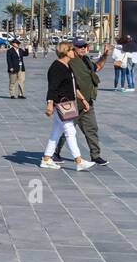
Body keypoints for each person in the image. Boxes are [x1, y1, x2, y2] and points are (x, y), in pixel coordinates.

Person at [41, 41, 96, 171]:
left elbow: (73, 86)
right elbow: (52, 88)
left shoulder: (67, 66)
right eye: (72, 50)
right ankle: (78, 160)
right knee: (70, 131)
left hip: (68, 104)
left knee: (56, 132)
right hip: (61, 104)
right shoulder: (57, 67)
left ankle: (46, 159)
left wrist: (83, 99)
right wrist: (49, 104)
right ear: (66, 52)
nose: (74, 52)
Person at [54, 38, 109, 166]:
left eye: (85, 46)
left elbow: (98, 67)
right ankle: (54, 153)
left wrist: (105, 54)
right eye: (79, 46)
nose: (83, 48)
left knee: (92, 128)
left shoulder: (86, 60)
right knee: (65, 130)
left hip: (87, 102)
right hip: (72, 102)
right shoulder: (69, 61)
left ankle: (95, 155)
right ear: (72, 49)